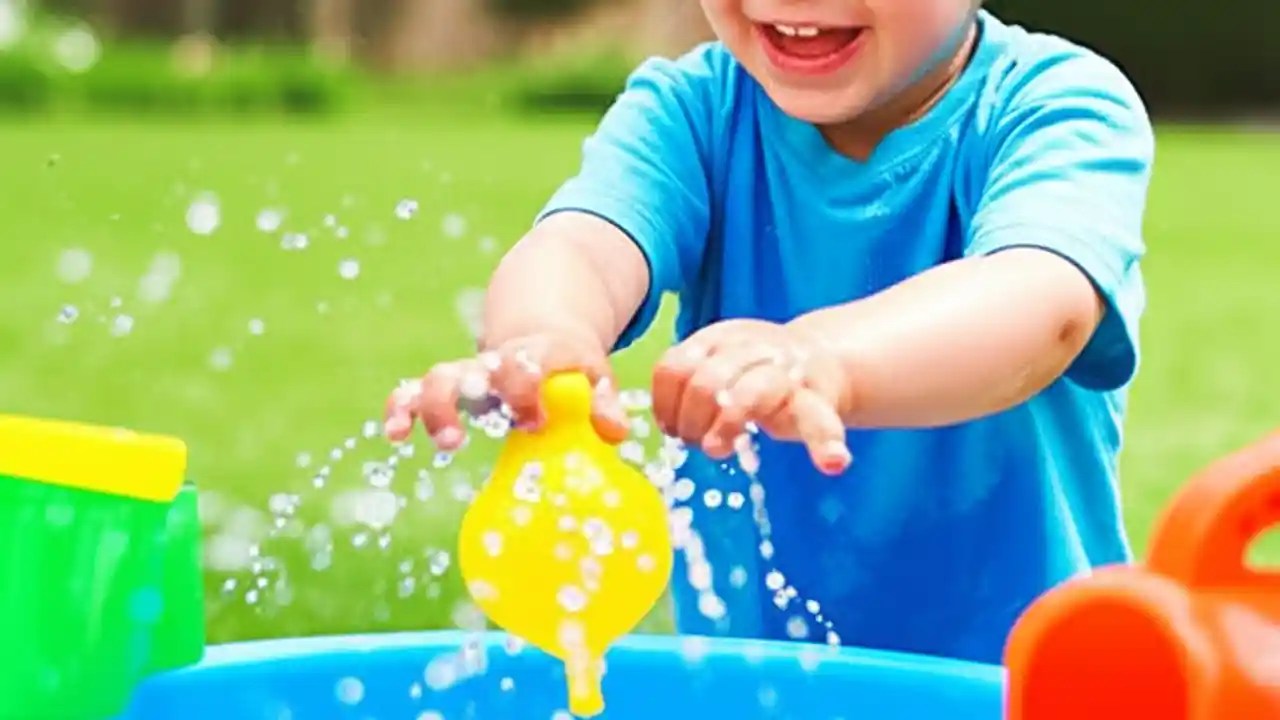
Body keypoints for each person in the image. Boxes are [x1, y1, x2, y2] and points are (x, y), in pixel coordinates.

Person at [385, 0, 1154, 666]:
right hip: (761, 685)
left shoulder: (1056, 106)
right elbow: (584, 242)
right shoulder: (694, 111)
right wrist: (543, 334)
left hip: (1022, 681)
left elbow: (1039, 302)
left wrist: (827, 361)